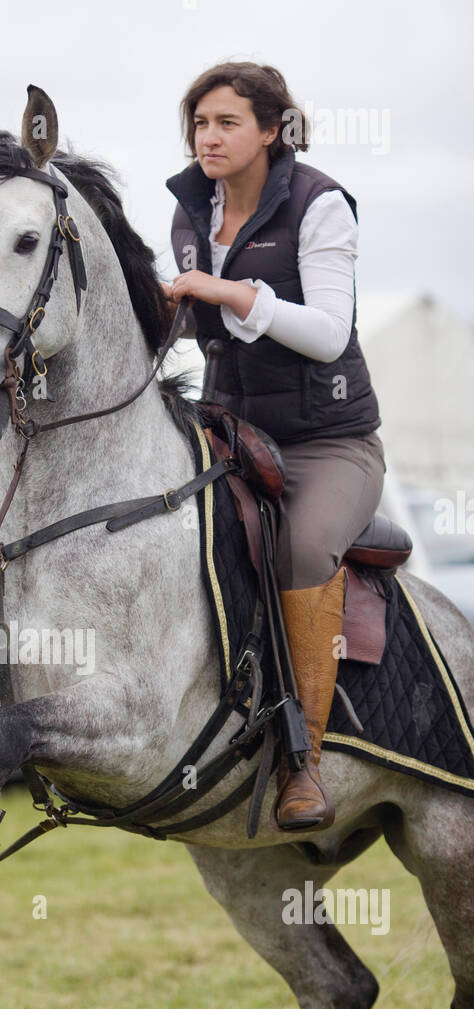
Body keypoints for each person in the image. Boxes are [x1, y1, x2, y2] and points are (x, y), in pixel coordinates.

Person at [161, 61, 385, 833]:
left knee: (303, 549)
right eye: (198, 123)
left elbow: (327, 334)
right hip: (230, 429)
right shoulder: (189, 213)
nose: (207, 137)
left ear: (270, 130)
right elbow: (196, 327)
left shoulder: (321, 205)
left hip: (331, 443)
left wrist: (224, 291)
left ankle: (304, 762)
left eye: (225, 122)